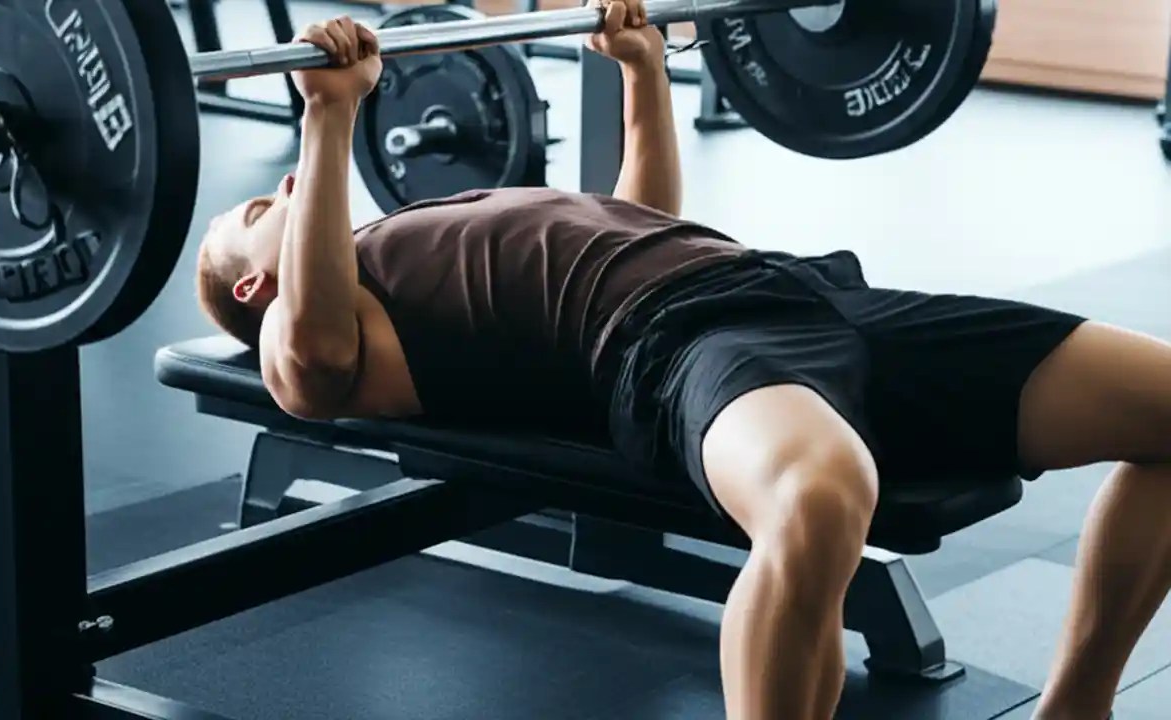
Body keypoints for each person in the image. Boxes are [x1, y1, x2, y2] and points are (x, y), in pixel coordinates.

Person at [194, 2, 1168, 718]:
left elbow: (638, 219)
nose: (278, 191)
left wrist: (639, 72)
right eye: (253, 216)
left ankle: (1074, 708)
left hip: (809, 293)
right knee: (820, 503)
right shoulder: (319, 317)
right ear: (253, 289)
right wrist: (326, 121)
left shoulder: (418, 221)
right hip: (681, 345)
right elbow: (314, 361)